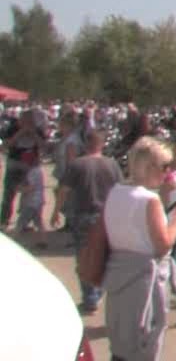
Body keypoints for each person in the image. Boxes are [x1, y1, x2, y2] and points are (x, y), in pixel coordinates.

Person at [102, 136, 176, 361]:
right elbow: (163, 245)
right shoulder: (148, 200)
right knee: (145, 341)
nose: (167, 172)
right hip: (144, 279)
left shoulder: (116, 191)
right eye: (164, 167)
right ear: (149, 167)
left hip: (118, 273)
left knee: (121, 342)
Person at [52, 129, 123, 313]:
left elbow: (64, 190)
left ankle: (90, 296)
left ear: (85, 143)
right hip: (107, 216)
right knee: (103, 254)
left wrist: (56, 211)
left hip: (83, 215)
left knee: (84, 256)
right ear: (103, 143)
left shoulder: (77, 165)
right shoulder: (112, 165)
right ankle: (97, 291)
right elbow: (121, 190)